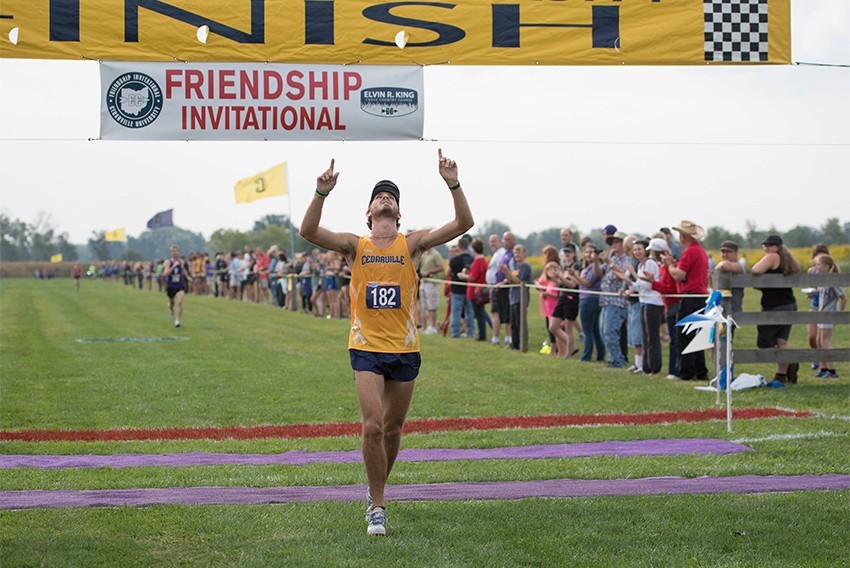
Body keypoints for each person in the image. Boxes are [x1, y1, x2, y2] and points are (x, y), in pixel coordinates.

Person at [299, 149, 473, 536]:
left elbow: (464, 223)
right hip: (366, 347)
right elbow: (308, 232)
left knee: (393, 431)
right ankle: (377, 505)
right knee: (372, 426)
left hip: (405, 348)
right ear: (368, 212)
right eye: (379, 195)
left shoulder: (412, 245)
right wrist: (321, 192)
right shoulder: (354, 246)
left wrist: (453, 184)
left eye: (391, 195)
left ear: (398, 212)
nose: (385, 197)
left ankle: (374, 487)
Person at [751, 234, 801, 384]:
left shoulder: (772, 256)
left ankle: (788, 364)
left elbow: (756, 270)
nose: (766, 248)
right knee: (782, 342)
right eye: (765, 245)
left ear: (777, 247)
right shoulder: (785, 259)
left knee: (764, 344)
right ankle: (782, 374)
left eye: (770, 245)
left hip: (775, 306)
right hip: (789, 303)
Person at [664, 220, 710, 381]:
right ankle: (699, 370)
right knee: (696, 335)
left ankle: (686, 372)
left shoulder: (689, 252)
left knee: (684, 335)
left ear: (683, 236)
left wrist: (669, 266)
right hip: (700, 296)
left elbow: (679, 275)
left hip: (690, 297)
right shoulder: (700, 250)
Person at [628, 239, 664, 375]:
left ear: (646, 250)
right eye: (635, 249)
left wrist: (634, 275)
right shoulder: (640, 266)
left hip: (653, 302)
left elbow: (649, 285)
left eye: (639, 249)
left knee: (652, 337)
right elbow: (639, 286)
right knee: (645, 336)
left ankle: (655, 367)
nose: (637, 252)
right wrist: (629, 282)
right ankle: (646, 366)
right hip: (643, 301)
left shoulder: (650, 264)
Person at [599, 230, 631, 368]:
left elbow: (626, 275)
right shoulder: (613, 258)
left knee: (611, 332)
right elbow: (599, 272)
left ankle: (617, 360)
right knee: (604, 332)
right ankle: (614, 358)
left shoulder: (627, 259)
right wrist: (595, 261)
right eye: (612, 242)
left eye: (617, 241)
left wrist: (609, 262)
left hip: (617, 301)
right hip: (606, 301)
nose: (614, 244)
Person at [813, 254, 845, 379]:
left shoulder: (833, 281)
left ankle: (832, 371)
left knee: (825, 342)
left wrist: (839, 313)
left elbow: (844, 298)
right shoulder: (823, 280)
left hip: (829, 314)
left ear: (826, 266)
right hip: (821, 313)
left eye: (818, 264)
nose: (816, 266)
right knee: (819, 341)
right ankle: (824, 368)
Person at [572, 243, 605, 362]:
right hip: (590, 299)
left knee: (587, 330)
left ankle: (586, 356)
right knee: (595, 330)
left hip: (589, 299)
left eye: (591, 252)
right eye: (586, 252)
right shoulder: (587, 267)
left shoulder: (595, 267)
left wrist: (574, 275)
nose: (588, 255)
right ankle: (600, 355)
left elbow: (587, 283)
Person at [502, 243, 532, 351]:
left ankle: (522, 344)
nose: (517, 255)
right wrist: (506, 274)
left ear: (524, 254)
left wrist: (507, 271)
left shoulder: (525, 266)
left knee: (520, 323)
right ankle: (514, 344)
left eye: (519, 252)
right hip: (513, 298)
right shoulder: (515, 266)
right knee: (513, 323)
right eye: (515, 253)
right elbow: (511, 280)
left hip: (521, 298)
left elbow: (519, 281)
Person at [448, 235, 474, 338]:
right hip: (468, 289)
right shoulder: (472, 259)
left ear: (458, 247)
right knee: (470, 312)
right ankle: (470, 333)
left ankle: (455, 333)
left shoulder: (455, 260)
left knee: (456, 312)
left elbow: (448, 273)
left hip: (456, 289)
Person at [463, 237, 489, 341]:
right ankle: (482, 334)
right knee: (480, 313)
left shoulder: (478, 261)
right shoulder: (483, 260)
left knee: (479, 314)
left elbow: (473, 277)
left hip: (476, 291)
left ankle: (482, 335)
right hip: (480, 289)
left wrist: (463, 276)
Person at [417, 246, 445, 334]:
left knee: (432, 306)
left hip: (431, 282)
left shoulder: (435, 254)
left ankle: (432, 326)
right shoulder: (424, 254)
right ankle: (424, 327)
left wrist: (429, 271)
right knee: (424, 306)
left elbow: (441, 267)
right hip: (423, 282)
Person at [486, 234, 507, 344]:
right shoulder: (496, 254)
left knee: (496, 312)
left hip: (496, 286)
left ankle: (496, 337)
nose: (492, 244)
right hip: (493, 286)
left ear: (500, 241)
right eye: (491, 241)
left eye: (494, 241)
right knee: (495, 312)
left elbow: (500, 270)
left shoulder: (501, 253)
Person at [163, 244, 189, 327]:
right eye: (173, 251)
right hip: (171, 286)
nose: (175, 253)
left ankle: (177, 321)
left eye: (176, 251)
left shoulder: (181, 261)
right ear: (171, 253)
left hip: (180, 285)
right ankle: (171, 310)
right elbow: (166, 273)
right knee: (171, 304)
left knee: (180, 302)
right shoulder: (168, 262)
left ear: (178, 252)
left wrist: (187, 277)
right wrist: (173, 266)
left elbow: (183, 270)